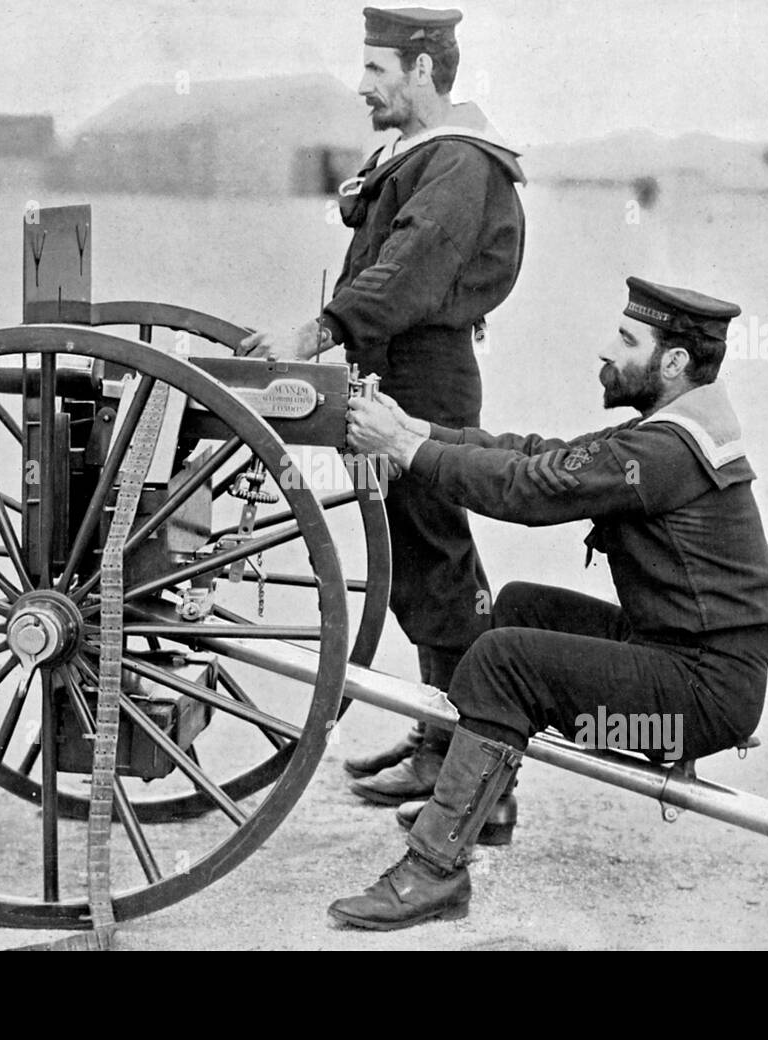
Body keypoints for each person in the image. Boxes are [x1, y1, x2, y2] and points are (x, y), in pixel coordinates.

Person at [328, 276, 768, 930]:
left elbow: (532, 490)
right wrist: (421, 429)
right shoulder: (674, 429)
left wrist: (408, 452)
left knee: (503, 660)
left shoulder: (662, 450)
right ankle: (486, 805)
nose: (606, 350)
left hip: (706, 693)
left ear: (675, 362)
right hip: (690, 658)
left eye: (627, 340)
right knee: (519, 607)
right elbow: (543, 456)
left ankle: (432, 873)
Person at [242, 6, 527, 807]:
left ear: (424, 71)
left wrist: (320, 328)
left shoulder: (461, 164)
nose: (362, 85)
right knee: (411, 559)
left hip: (424, 375)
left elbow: (409, 265)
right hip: (391, 365)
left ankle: (476, 775)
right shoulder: (418, 155)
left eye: (377, 69)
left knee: (437, 559)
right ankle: (442, 732)